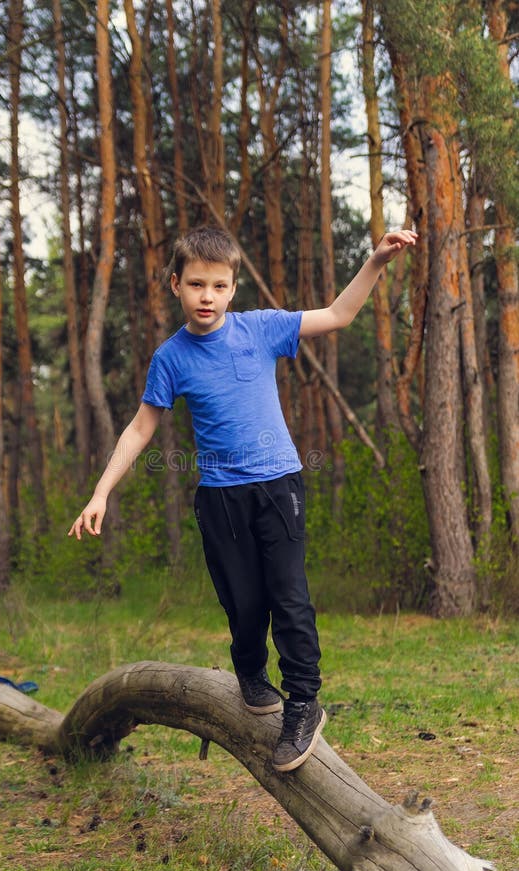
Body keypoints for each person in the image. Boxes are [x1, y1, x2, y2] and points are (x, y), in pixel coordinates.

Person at [69, 224, 417, 772]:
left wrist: (375, 261)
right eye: (196, 285)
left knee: (288, 596)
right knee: (243, 603)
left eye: (219, 286)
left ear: (233, 289)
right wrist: (100, 492)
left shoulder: (262, 329)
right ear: (175, 286)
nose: (207, 296)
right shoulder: (170, 357)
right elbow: (139, 429)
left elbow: (337, 315)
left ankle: (303, 702)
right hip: (219, 500)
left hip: (278, 487)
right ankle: (250, 673)